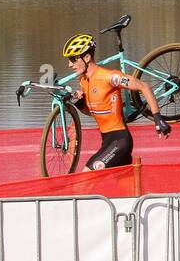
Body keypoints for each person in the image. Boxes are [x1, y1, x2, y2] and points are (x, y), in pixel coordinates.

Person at [61, 33, 171, 170]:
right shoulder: (83, 81)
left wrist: (157, 117)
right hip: (107, 141)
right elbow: (94, 112)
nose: (69, 64)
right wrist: (79, 104)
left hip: (120, 141)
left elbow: (144, 86)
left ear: (87, 57)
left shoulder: (110, 77)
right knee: (129, 189)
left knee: (85, 177)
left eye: (73, 59)